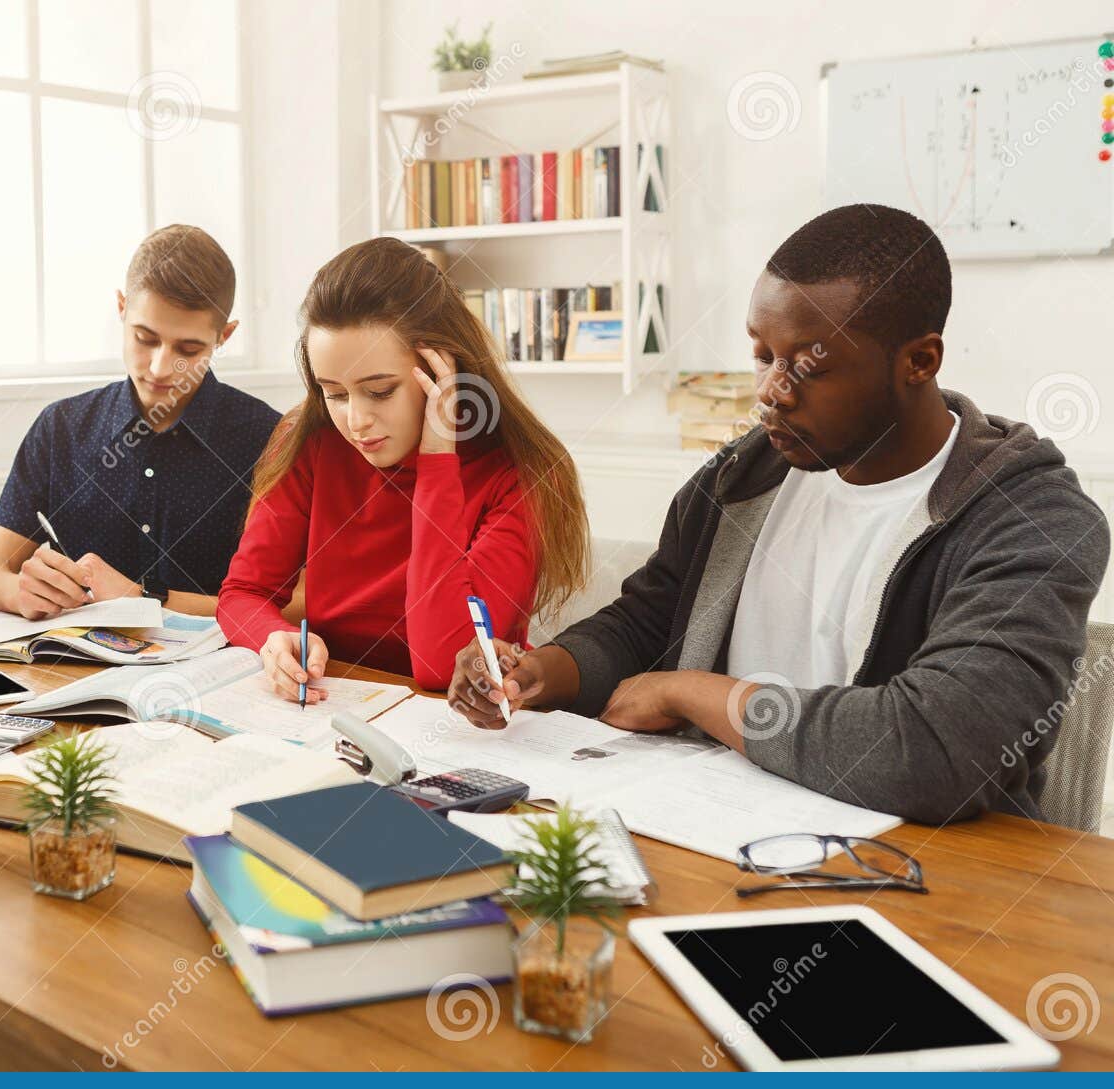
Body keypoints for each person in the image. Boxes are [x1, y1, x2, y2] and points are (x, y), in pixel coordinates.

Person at [447, 203, 1110, 825]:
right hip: (714, 825)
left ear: (919, 362)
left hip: (925, 874)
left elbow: (936, 752)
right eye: (762, 355)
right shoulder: (745, 475)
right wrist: (543, 672)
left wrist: (694, 695)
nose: (770, 392)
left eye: (808, 367)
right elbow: (649, 621)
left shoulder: (1029, 519)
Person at [217, 237, 589, 697]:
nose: (356, 420)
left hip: (459, 721)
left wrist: (437, 462)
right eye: (333, 393)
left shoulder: (522, 476)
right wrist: (272, 639)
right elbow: (244, 593)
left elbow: (440, 666)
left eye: (379, 391)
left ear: (439, 370)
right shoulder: (311, 440)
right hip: (341, 701)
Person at [0, 225, 280, 618]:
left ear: (224, 337)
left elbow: (296, 606)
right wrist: (17, 591)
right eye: (145, 338)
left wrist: (145, 598)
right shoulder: (61, 428)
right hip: (75, 671)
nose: (160, 368)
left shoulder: (267, 438)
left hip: (221, 672)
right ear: (121, 307)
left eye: (189, 348)